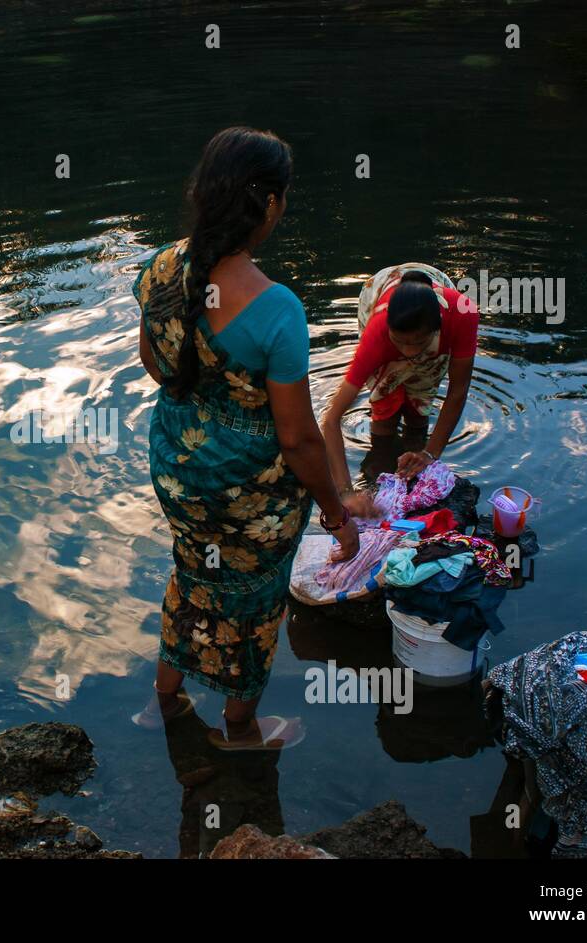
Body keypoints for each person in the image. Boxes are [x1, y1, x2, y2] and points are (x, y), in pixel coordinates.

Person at [133, 126, 358, 751]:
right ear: (270, 204)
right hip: (247, 491)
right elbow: (298, 439)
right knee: (255, 603)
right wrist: (338, 515)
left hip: (176, 466)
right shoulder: (276, 308)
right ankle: (239, 729)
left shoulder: (161, 267)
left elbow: (155, 364)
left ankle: (165, 702)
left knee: (192, 575)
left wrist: (205, 400)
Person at [320, 263, 479, 510]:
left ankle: (414, 456)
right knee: (384, 402)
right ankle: (379, 469)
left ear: (436, 330)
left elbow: (457, 391)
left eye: (418, 343)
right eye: (401, 342)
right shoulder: (378, 333)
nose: (409, 352)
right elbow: (331, 420)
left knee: (420, 406)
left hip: (439, 317)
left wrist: (429, 454)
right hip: (380, 297)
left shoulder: (462, 313)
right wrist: (346, 492)